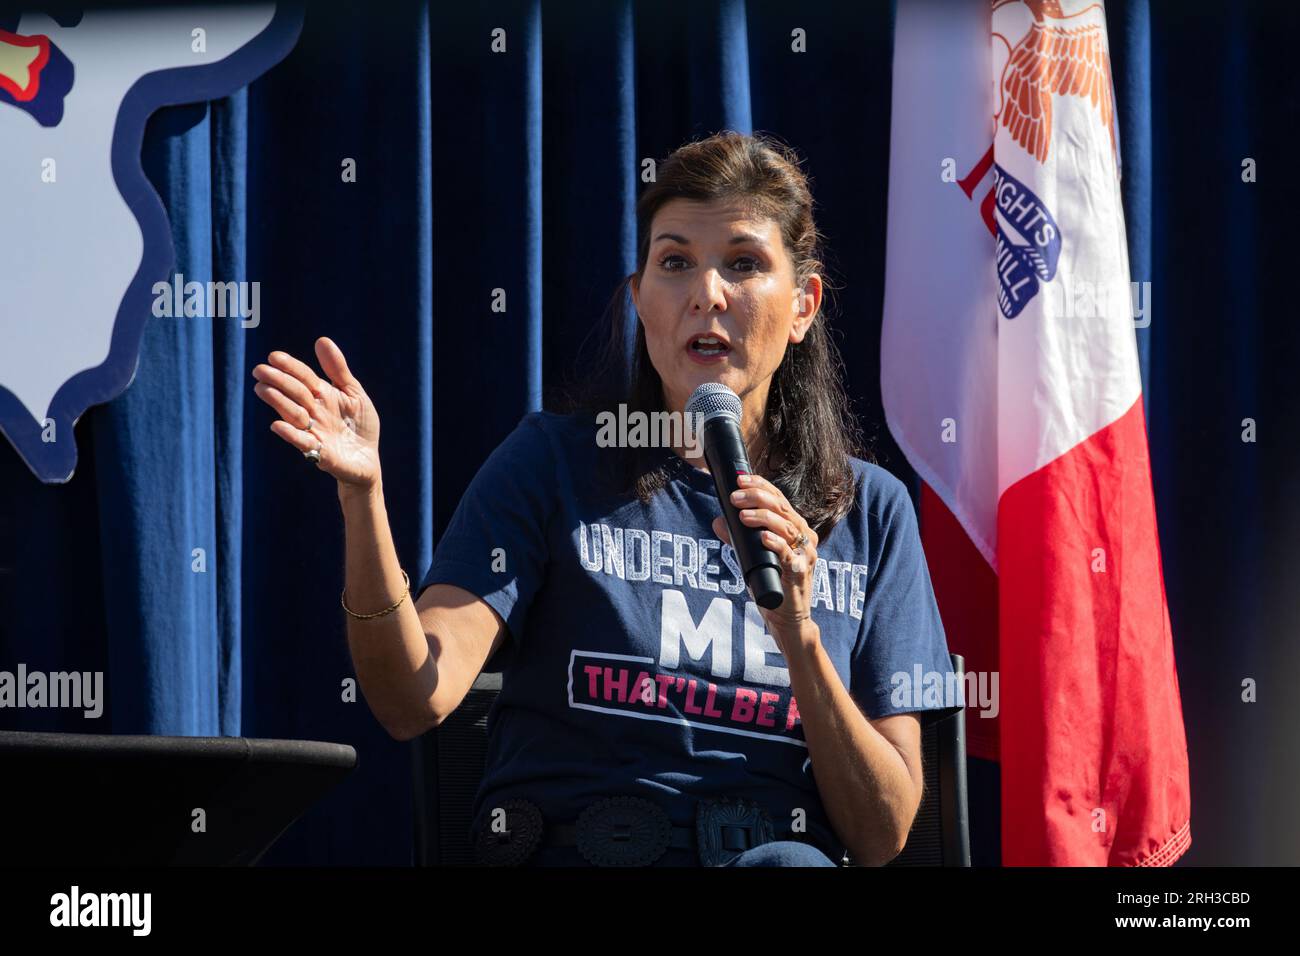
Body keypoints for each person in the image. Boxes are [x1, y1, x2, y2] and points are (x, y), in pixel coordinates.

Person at [250, 130, 961, 867]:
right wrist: (365, 500)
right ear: (640, 301)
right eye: (675, 262)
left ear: (804, 304)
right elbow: (412, 699)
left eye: (743, 264)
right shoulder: (552, 464)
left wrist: (802, 638)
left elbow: (882, 834)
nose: (706, 294)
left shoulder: (869, 512)